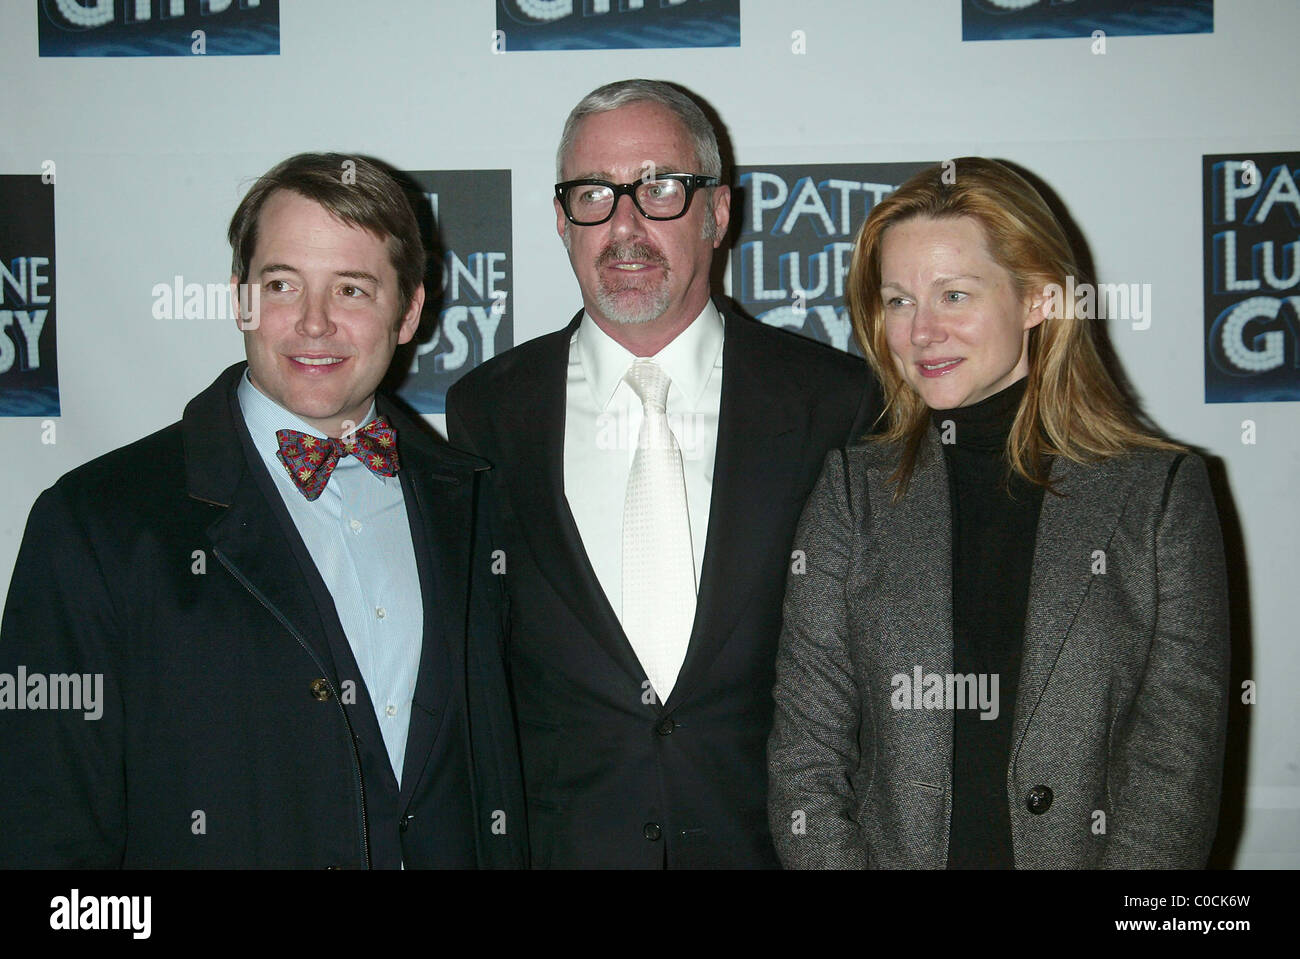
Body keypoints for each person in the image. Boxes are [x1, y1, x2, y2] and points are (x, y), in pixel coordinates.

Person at [0, 153, 525, 869]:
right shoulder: (97, 524)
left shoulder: (472, 502)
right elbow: (43, 835)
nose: (314, 323)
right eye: (283, 284)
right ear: (240, 298)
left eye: (351, 289)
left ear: (407, 312)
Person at [446, 79, 877, 868]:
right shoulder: (486, 412)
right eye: (593, 195)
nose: (625, 224)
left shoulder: (836, 404)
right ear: (560, 221)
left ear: (718, 212)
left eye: (660, 188)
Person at [768, 157, 1229, 869]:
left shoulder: (1160, 496)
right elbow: (807, 754)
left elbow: (1176, 774)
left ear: (1040, 298)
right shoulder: (851, 493)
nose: (921, 332)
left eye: (954, 295)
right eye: (897, 300)